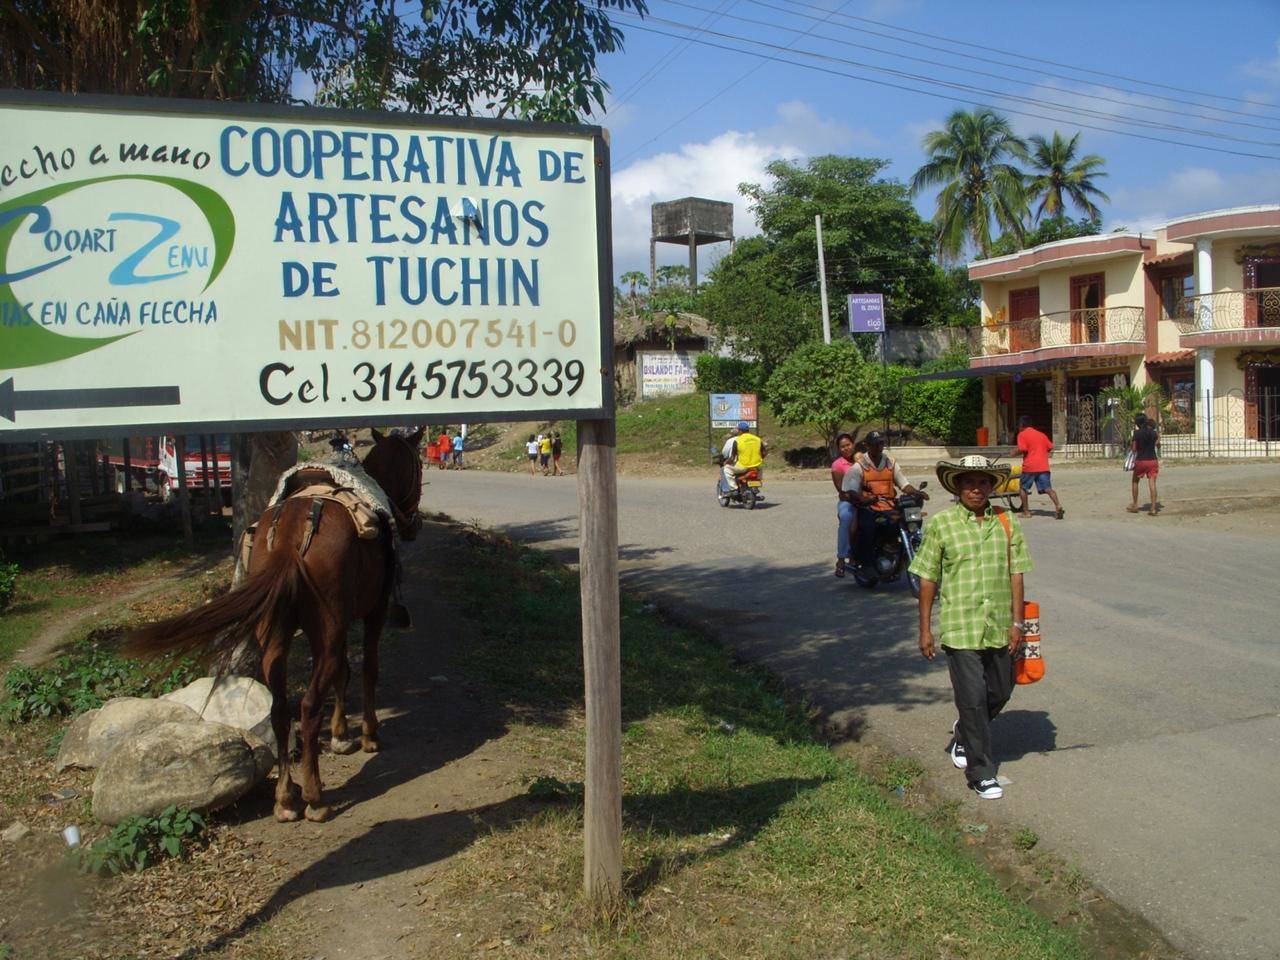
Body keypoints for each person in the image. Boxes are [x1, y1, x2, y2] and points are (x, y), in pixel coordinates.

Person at [908, 455, 1034, 801]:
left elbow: (1017, 572)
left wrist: (1017, 622)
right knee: (974, 700)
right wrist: (925, 629)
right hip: (961, 627)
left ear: (991, 487)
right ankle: (981, 772)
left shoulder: (1007, 522)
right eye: (968, 483)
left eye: (981, 483)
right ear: (958, 487)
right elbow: (928, 577)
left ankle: (964, 731)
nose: (975, 489)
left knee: (1001, 691)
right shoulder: (941, 524)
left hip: (999, 626)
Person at [842, 430, 928, 573]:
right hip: (869, 508)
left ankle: (896, 549)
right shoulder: (859, 466)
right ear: (867, 445)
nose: (878, 447)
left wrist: (917, 492)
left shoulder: (890, 463)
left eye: (881, 443)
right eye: (874, 444)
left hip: (889, 505)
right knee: (868, 528)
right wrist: (863, 498)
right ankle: (867, 563)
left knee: (910, 521)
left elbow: (904, 484)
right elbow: (850, 489)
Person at [1015, 415, 1065, 520]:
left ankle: (1026, 512)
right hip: (1043, 466)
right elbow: (1050, 447)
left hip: (1029, 466)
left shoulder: (1022, 434)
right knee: (1048, 489)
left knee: (1023, 488)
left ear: (1021, 426)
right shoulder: (1041, 435)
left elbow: (1022, 448)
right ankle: (1058, 505)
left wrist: (1013, 452)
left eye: (1018, 427)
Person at [830, 433, 858, 578]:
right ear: (839, 449)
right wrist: (859, 498)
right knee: (846, 518)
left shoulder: (862, 460)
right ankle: (841, 559)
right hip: (848, 501)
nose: (846, 448)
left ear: (853, 444)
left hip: (867, 500)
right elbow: (841, 489)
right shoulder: (837, 465)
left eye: (848, 445)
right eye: (842, 447)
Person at [1128, 413, 1160, 516]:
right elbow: (1158, 445)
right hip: (1152, 460)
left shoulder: (1136, 433)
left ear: (1137, 423)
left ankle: (1135, 505)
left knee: (1135, 481)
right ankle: (1153, 508)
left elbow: (1133, 449)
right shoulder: (1154, 433)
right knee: (1152, 483)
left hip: (1141, 460)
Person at [721, 420, 765, 491]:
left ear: (740, 431)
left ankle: (734, 488)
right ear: (748, 430)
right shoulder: (758, 439)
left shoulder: (737, 441)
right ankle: (756, 484)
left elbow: (732, 457)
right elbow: (764, 453)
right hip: (756, 466)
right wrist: (760, 459)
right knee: (760, 468)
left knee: (726, 469)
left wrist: (726, 462)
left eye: (738, 430)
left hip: (743, 467)